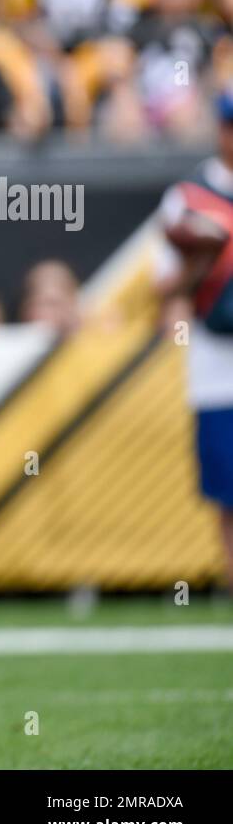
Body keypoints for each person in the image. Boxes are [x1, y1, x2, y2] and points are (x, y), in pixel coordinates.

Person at [152, 88, 233, 588]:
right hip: (217, 360)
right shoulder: (189, 197)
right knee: (228, 494)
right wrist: (199, 258)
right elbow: (162, 290)